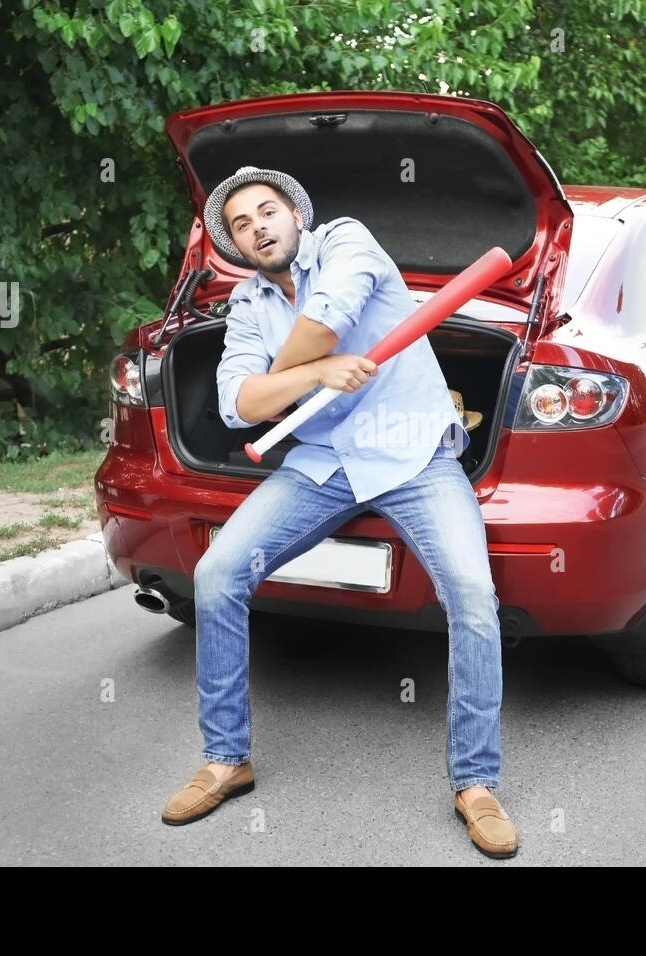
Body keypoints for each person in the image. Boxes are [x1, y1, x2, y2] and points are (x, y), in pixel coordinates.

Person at [159, 166, 517, 859]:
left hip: (414, 455)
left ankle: (476, 782)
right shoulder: (246, 305)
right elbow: (237, 405)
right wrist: (312, 379)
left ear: (297, 214)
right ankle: (227, 759)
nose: (258, 226)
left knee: (473, 594)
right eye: (241, 224)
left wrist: (285, 380)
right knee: (217, 573)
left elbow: (324, 326)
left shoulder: (348, 241)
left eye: (268, 211)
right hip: (322, 466)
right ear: (234, 245)